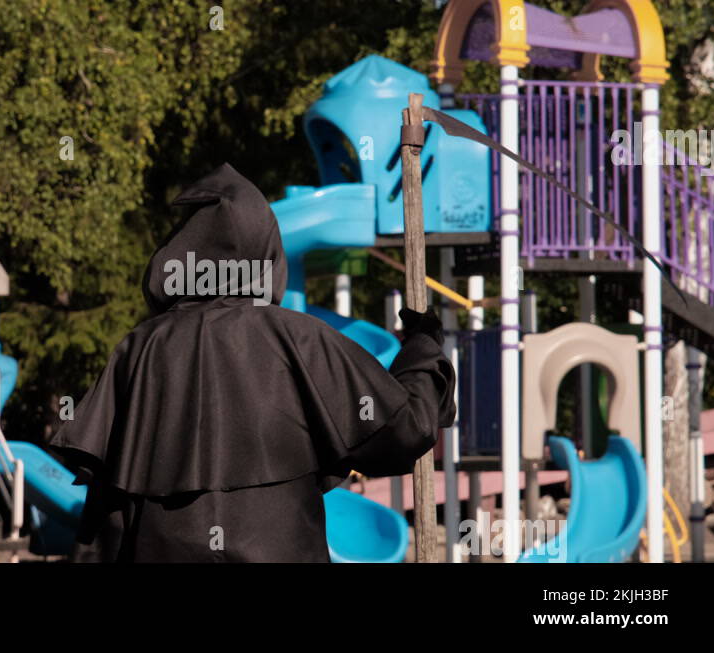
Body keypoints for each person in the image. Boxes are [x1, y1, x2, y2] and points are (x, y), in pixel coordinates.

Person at [49, 163, 455, 562]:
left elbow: (109, 507)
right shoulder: (299, 338)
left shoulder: (140, 348)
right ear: (267, 253)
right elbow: (403, 432)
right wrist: (421, 351)